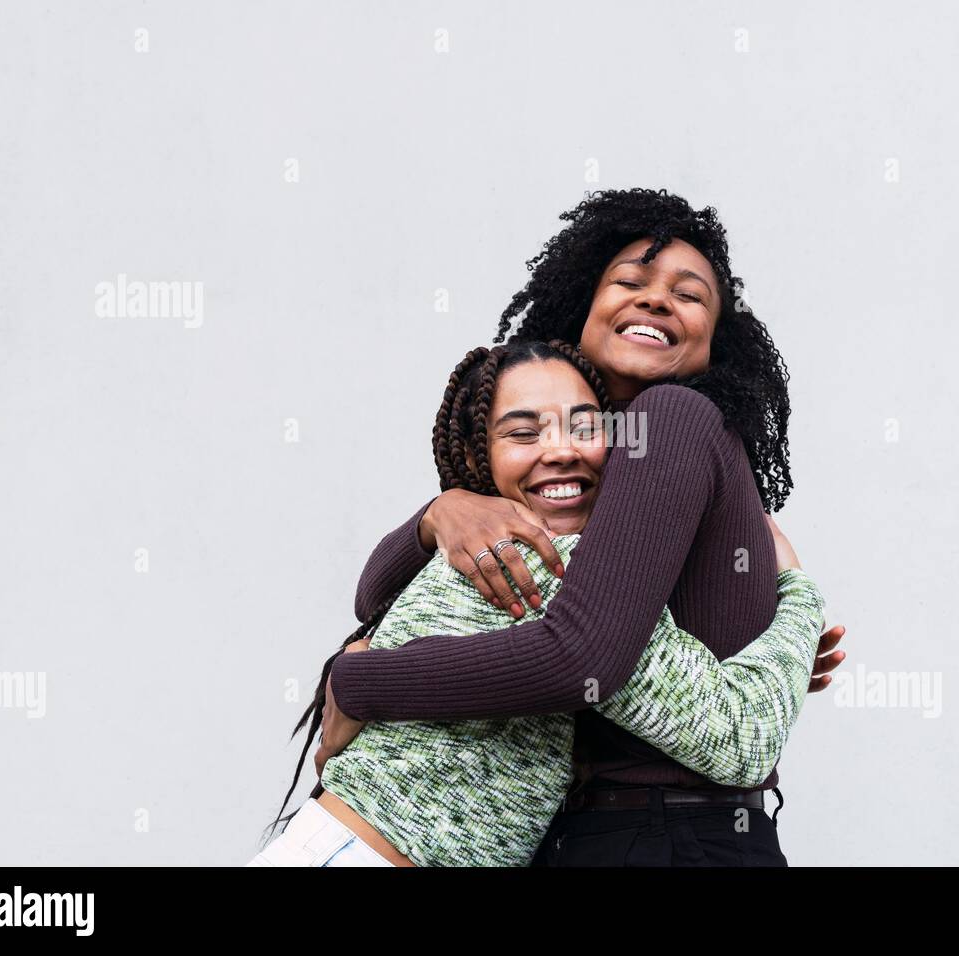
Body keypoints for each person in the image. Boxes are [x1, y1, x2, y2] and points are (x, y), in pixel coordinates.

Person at [322, 188, 847, 865]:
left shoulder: (669, 420)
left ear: (719, 347)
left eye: (689, 296)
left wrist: (357, 683)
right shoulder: (593, 482)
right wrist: (437, 516)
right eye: (629, 281)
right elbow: (382, 600)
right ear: (582, 308)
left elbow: (582, 658)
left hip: (660, 839)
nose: (656, 298)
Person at [253, 340, 825, 866]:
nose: (561, 451)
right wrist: (795, 591)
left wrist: (436, 515)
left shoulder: (471, 548)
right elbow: (739, 737)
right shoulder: (548, 568)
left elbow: (369, 594)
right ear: (481, 459)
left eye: (586, 427)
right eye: (523, 433)